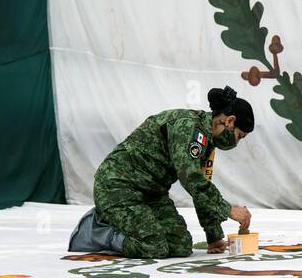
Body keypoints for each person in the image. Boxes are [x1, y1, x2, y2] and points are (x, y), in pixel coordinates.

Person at [73, 86, 255, 258]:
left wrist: (213, 236)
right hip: (117, 188)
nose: (236, 142)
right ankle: (98, 230)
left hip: (151, 194)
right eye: (239, 136)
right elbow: (190, 177)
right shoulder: (189, 127)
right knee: (154, 246)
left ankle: (127, 220)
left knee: (180, 245)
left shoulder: (207, 141)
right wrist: (228, 209)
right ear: (230, 121)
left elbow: (201, 185)